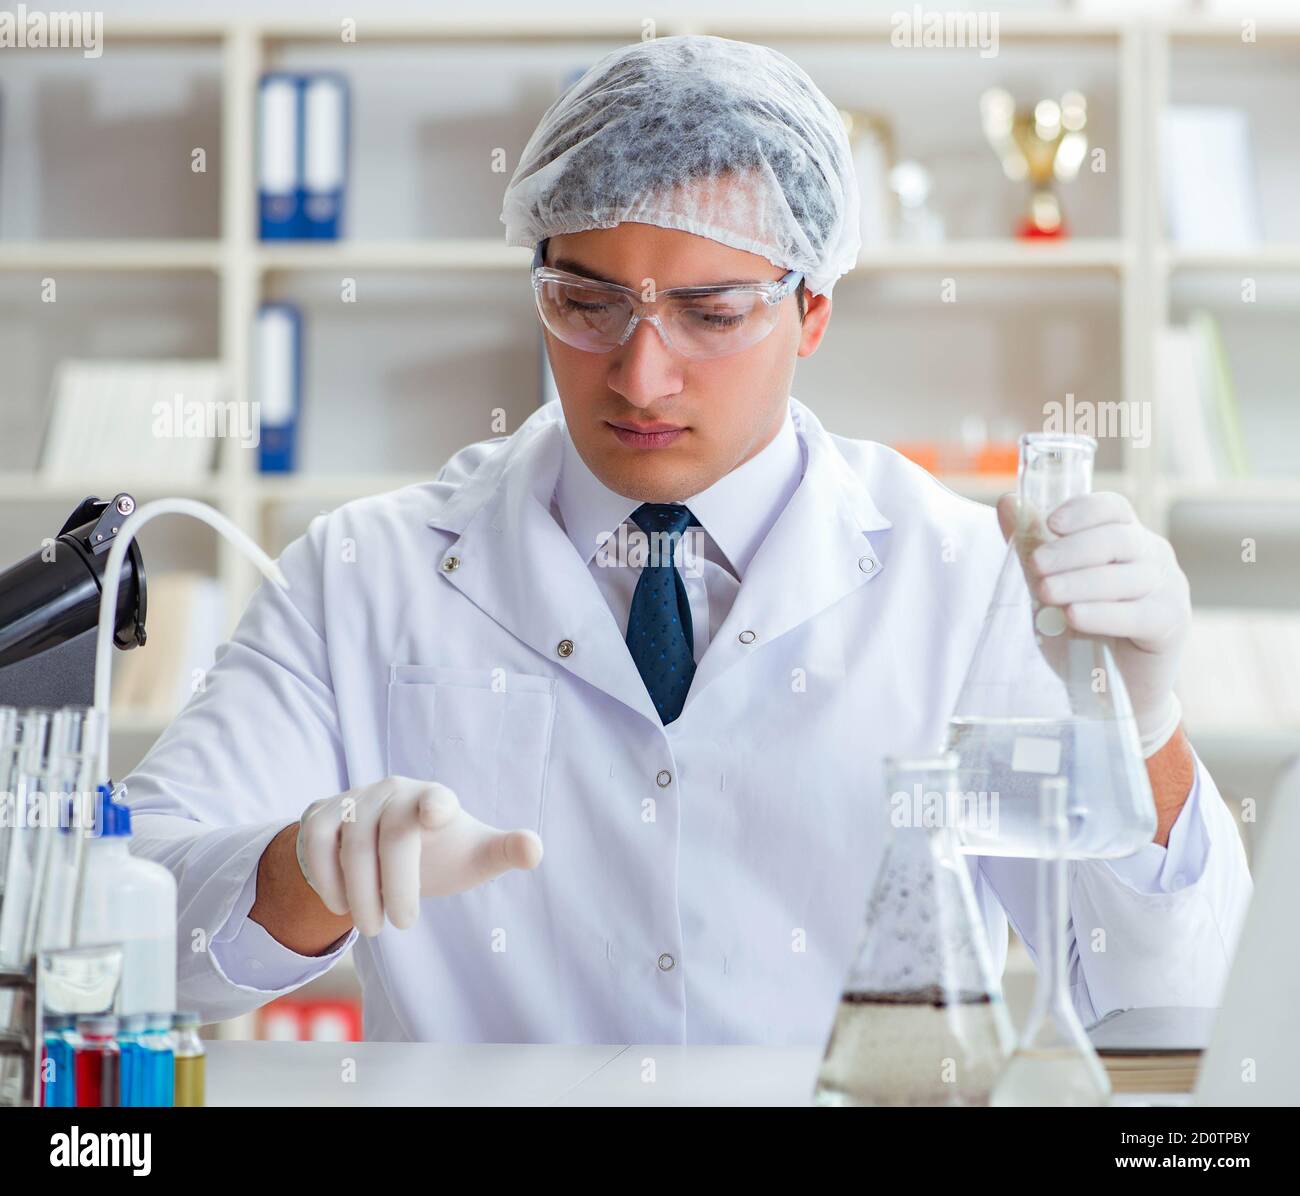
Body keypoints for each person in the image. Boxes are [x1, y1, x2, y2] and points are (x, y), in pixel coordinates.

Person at [123, 35, 1250, 1043]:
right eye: (587, 302)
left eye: (711, 313)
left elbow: (1167, 994)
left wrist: (1141, 731)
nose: (640, 373)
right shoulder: (364, 571)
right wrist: (301, 876)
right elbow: (124, 933)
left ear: (813, 309)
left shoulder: (958, 576)